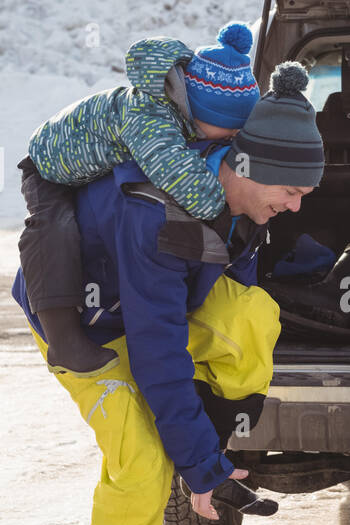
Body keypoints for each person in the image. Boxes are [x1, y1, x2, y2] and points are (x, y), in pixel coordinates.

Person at [12, 62, 349, 525]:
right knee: (139, 459)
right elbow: (158, 349)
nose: (298, 204)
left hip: (148, 311)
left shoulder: (239, 197)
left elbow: (232, 304)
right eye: (290, 189)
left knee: (253, 316)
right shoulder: (161, 212)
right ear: (243, 168)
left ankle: (197, 517)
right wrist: (193, 465)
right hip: (86, 326)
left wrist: (206, 456)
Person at [18, 23, 258, 375]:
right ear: (202, 113)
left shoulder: (181, 109)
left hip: (91, 165)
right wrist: (221, 205)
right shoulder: (150, 118)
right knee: (54, 228)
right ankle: (62, 339)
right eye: (232, 129)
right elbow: (179, 174)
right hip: (49, 164)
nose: (236, 137)